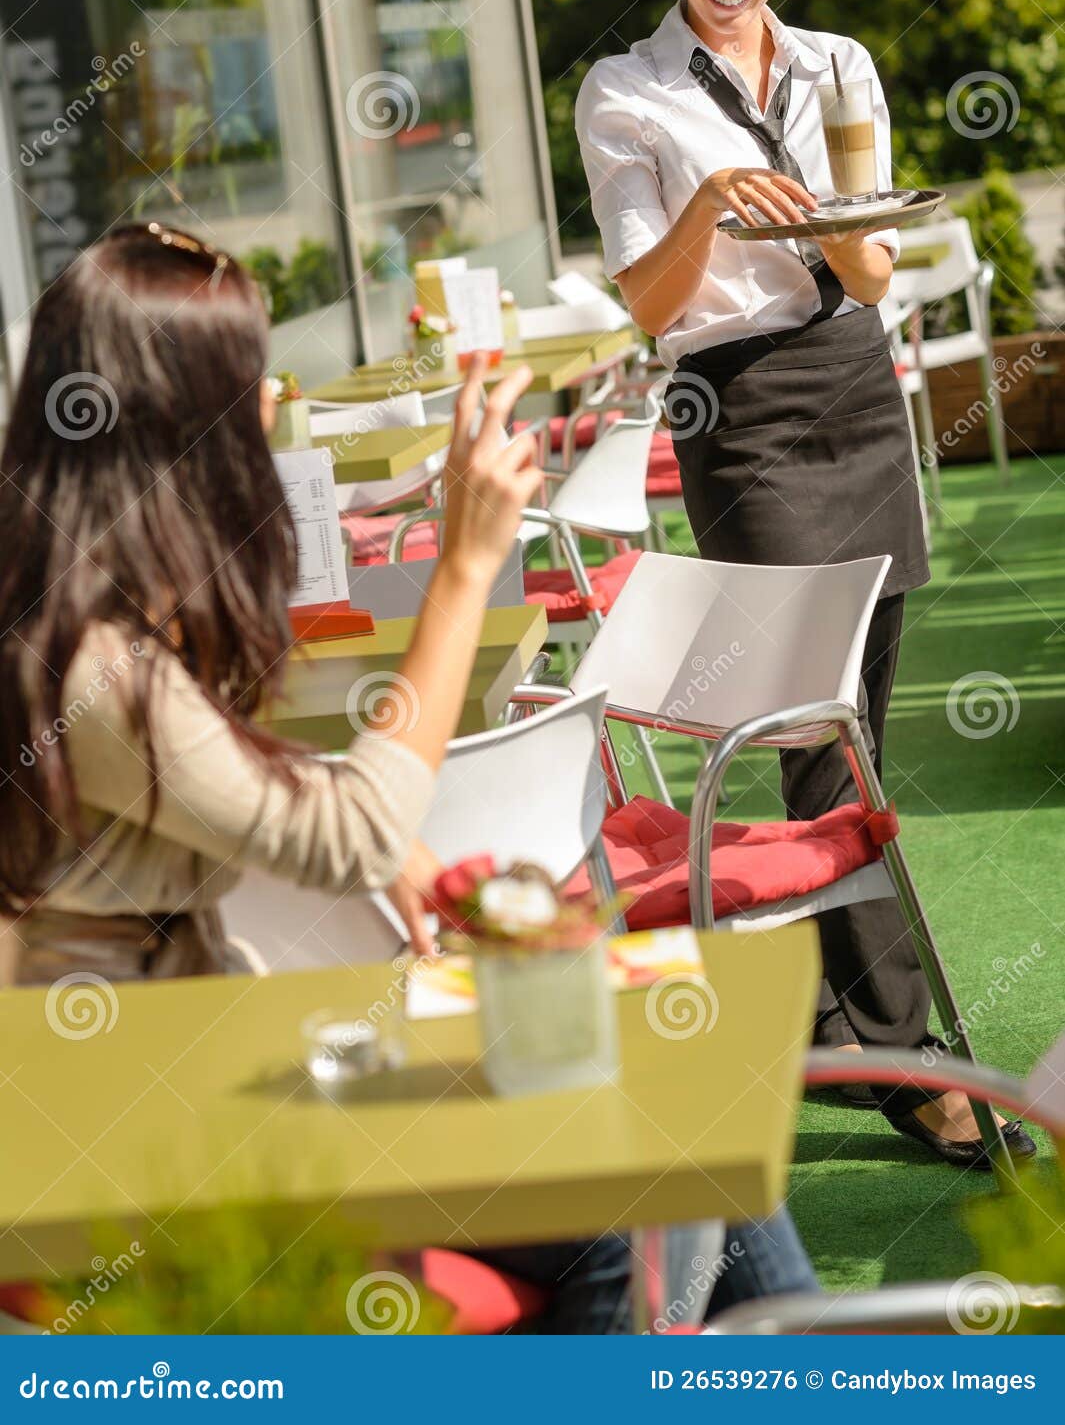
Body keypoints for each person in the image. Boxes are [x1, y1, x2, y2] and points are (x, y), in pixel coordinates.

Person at [0, 222, 815, 1329]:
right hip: (154, 1129)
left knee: (687, 1113)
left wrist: (407, 856)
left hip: (201, 1058)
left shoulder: (73, 615)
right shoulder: (91, 662)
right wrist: (466, 567)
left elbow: (273, 800)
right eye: (247, 387)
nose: (271, 410)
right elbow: (346, 832)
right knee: (645, 1185)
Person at [574, 0, 1033, 1170]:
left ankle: (834, 1016)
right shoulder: (626, 89)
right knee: (810, 726)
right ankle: (914, 1063)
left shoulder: (839, 66)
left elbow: (878, 273)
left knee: (861, 726)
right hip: (739, 410)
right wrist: (713, 198)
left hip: (850, 384)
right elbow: (649, 303)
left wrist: (837, 213)